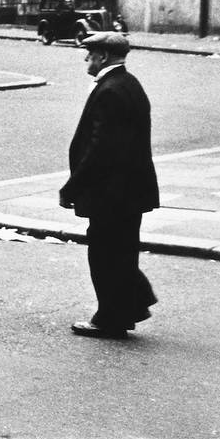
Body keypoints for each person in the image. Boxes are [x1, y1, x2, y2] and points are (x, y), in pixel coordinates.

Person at [57, 32, 159, 338]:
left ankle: (110, 319)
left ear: (102, 56)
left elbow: (100, 149)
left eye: (89, 54)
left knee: (104, 255)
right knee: (121, 252)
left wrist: (72, 187)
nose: (86, 59)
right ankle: (128, 308)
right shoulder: (129, 83)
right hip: (129, 190)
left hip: (111, 191)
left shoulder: (110, 90)